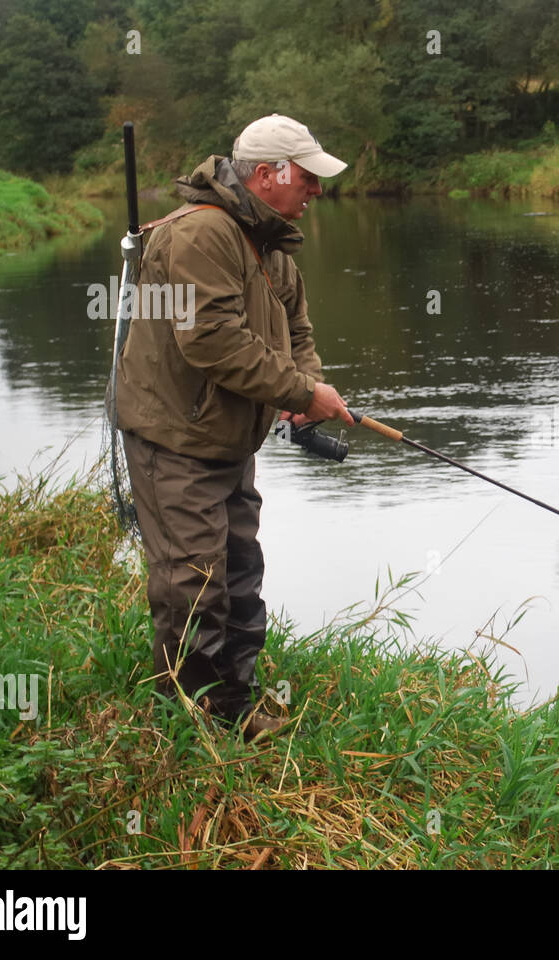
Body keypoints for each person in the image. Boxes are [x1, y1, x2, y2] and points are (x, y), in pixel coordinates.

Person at [115, 114, 355, 741]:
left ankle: (235, 705)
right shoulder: (202, 235)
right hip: (174, 438)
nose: (317, 190)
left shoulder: (272, 246)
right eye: (308, 177)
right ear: (269, 174)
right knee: (192, 583)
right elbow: (215, 344)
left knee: (241, 570)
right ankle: (191, 727)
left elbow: (296, 332)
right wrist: (305, 392)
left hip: (227, 440)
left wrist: (304, 390)